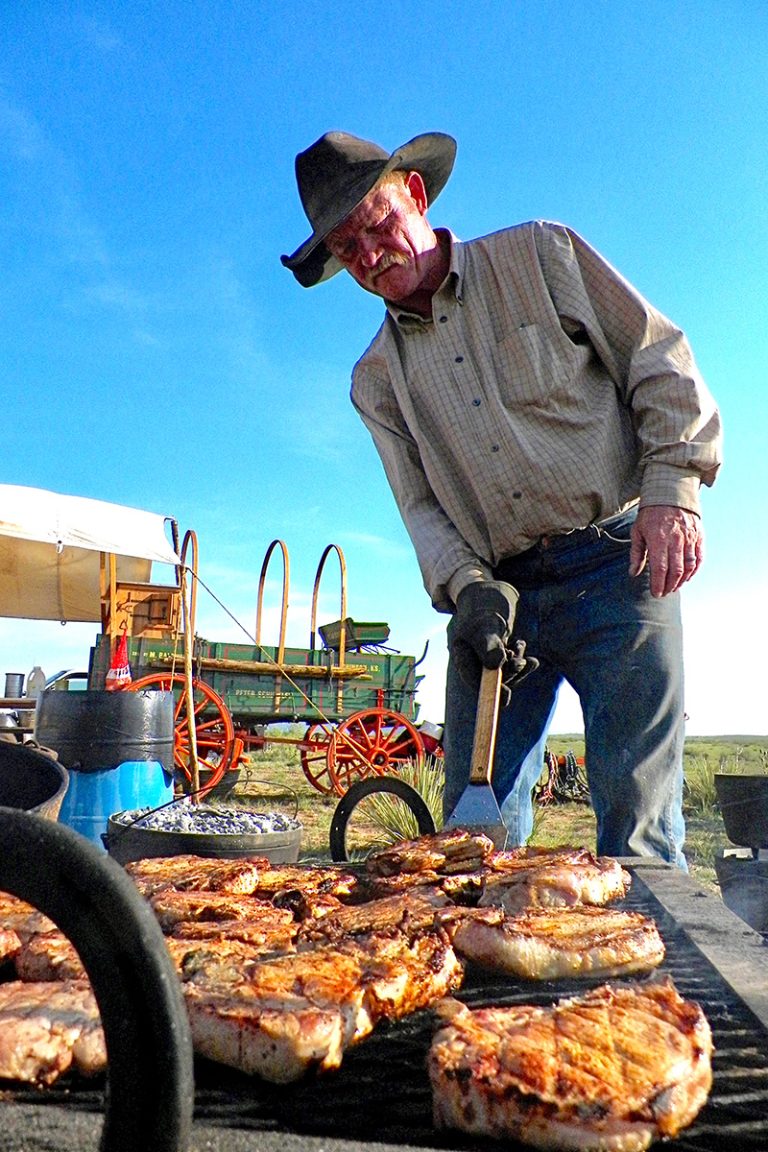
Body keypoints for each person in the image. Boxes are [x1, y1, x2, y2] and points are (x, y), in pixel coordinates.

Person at [281, 130, 723, 867]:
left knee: (638, 833)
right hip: (500, 599)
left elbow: (659, 358)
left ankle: (643, 979)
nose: (370, 253)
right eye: (346, 245)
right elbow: (421, 508)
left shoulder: (541, 256)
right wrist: (467, 585)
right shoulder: (376, 380)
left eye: (378, 221)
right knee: (468, 845)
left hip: (620, 566)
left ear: (415, 196)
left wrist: (673, 488)